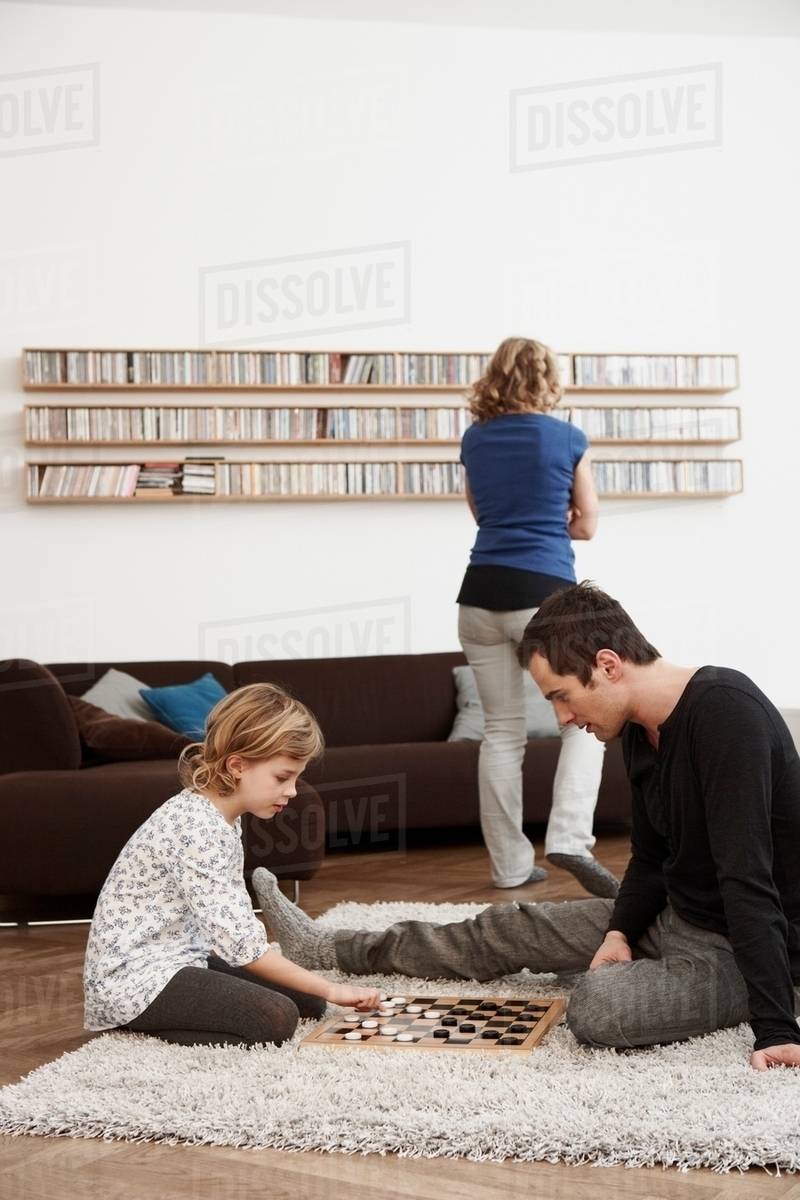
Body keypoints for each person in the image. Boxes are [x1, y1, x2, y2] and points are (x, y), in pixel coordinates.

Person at [253, 583, 800, 1070]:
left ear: (607, 664)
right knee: (507, 926)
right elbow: (653, 858)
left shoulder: (728, 715)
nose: (562, 717)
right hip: (676, 912)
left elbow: (747, 880)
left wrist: (777, 1030)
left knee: (598, 1005)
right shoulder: (638, 730)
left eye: (561, 695)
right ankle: (330, 950)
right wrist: (618, 931)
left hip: (742, 944)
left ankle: (765, 995)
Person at [83, 683, 379, 1047]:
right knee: (275, 1017)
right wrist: (333, 986)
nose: (292, 791)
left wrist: (322, 991)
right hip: (135, 978)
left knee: (309, 1003)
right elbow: (243, 947)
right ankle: (130, 1024)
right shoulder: (196, 828)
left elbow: (230, 930)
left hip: (184, 956)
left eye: (296, 778)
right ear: (237, 765)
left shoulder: (220, 815)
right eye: (283, 777)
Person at [456, 336, 616, 897]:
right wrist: (561, 518)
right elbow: (587, 526)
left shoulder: (475, 438)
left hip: (478, 596)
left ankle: (509, 868)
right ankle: (570, 836)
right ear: (547, 377)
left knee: (502, 733)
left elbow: (482, 514)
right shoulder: (568, 437)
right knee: (588, 717)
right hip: (544, 595)